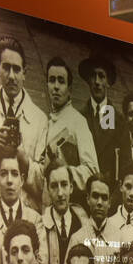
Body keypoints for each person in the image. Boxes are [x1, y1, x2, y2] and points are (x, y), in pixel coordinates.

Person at [24, 56, 98, 213]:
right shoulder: (45, 123)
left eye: (61, 81)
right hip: (46, 210)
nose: (56, 86)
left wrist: (65, 173)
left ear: (69, 90)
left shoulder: (78, 122)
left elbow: (92, 171)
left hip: (70, 210)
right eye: (52, 80)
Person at [0, 36, 46, 204]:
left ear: (25, 73)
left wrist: (24, 160)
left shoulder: (40, 120)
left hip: (25, 213)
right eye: (6, 68)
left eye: (17, 69)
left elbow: (45, 187)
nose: (11, 76)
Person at [37, 159, 93, 264]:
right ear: (48, 189)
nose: (60, 193)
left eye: (64, 185)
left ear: (72, 187)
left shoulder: (83, 224)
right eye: (54, 186)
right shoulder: (40, 226)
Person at [79, 53, 129, 184]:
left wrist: (112, 201)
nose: (97, 82)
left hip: (108, 196)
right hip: (84, 193)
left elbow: (125, 166)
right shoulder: (79, 118)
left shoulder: (118, 121)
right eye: (93, 76)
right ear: (88, 80)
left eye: (101, 76)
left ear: (108, 82)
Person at [76, 172, 121, 264]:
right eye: (95, 196)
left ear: (110, 203)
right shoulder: (77, 238)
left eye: (104, 198)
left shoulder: (119, 237)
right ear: (88, 199)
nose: (100, 202)